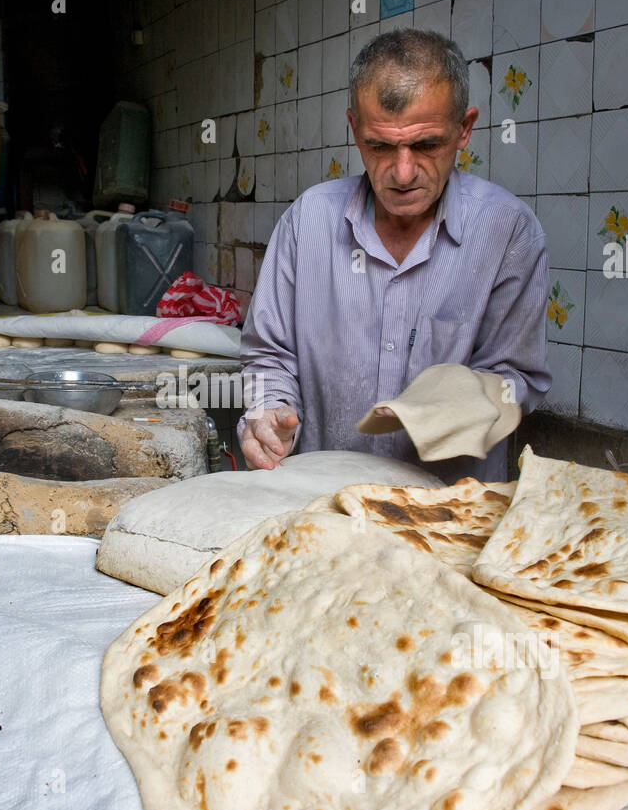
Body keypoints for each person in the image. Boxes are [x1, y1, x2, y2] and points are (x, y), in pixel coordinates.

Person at [236, 29, 551, 483]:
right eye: (380, 146)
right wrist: (269, 413)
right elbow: (269, 355)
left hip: (452, 514)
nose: (403, 173)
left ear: (464, 129)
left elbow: (516, 377)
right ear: (354, 129)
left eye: (426, 145)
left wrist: (460, 401)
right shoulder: (309, 221)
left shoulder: (507, 231)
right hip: (321, 507)